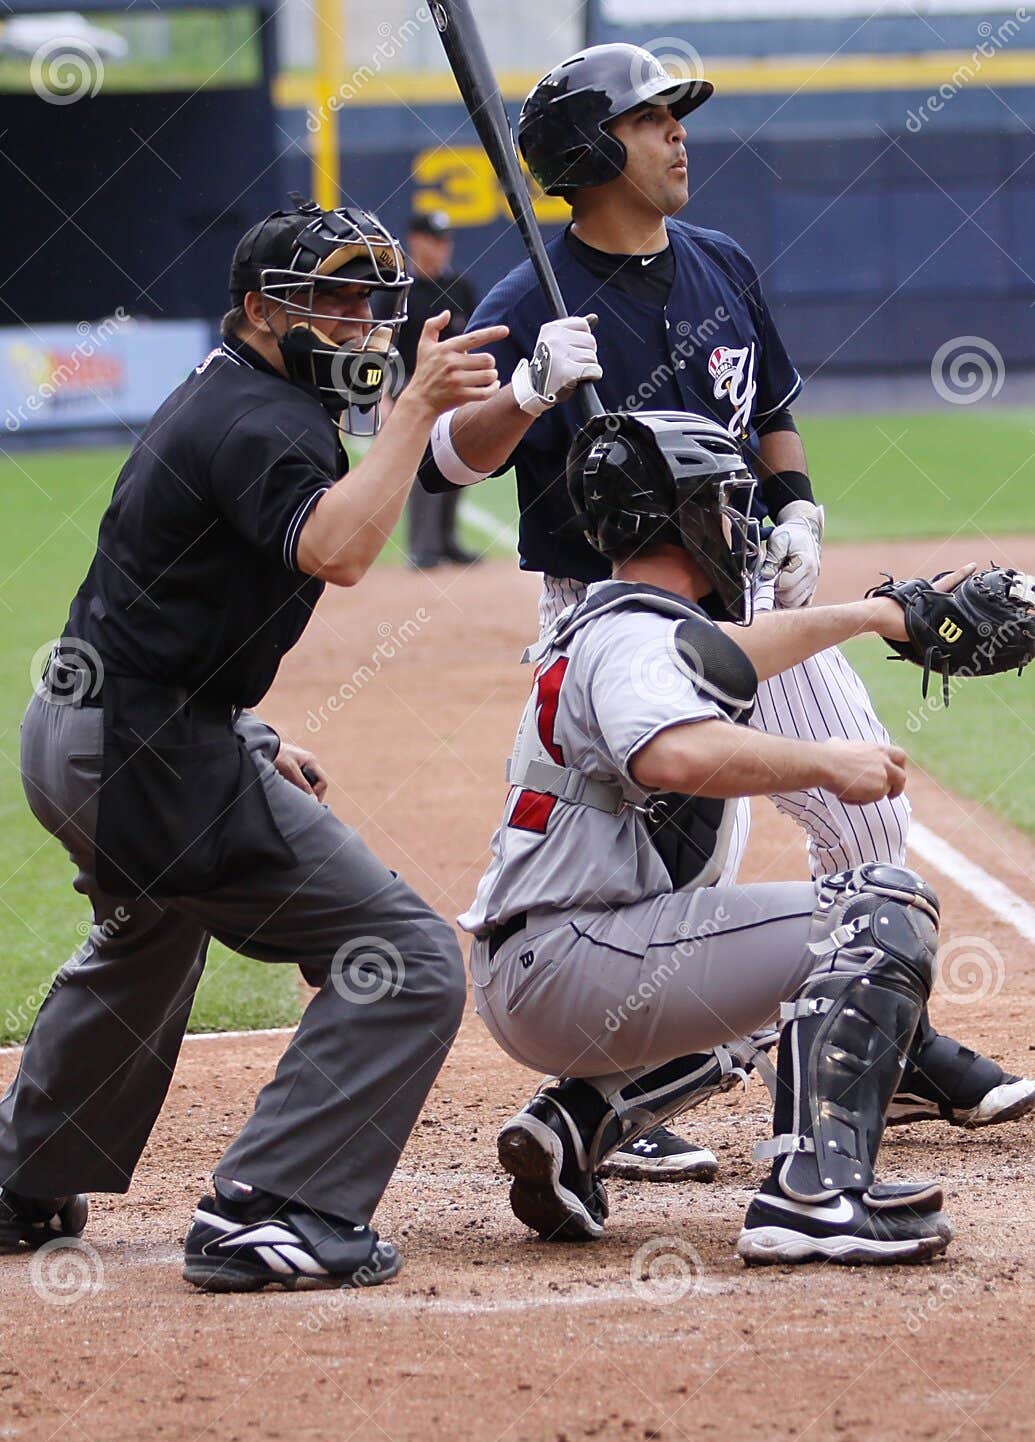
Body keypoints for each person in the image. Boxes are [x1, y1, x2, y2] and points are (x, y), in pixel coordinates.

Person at [425, 43, 1035, 1180]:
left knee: (866, 810)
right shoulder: (529, 301)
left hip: (753, 585)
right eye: (654, 120)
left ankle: (881, 1043)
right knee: (678, 861)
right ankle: (623, 1096)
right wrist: (523, 393)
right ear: (597, 151)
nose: (679, 135)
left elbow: (777, 412)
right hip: (621, 602)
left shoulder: (719, 262)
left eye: (675, 118)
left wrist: (798, 511)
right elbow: (442, 467)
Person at [0, 199, 506, 1292]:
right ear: (256, 313)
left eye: (369, 300)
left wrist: (245, 730)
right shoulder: (261, 422)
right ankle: (274, 1206)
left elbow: (173, 598)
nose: (358, 322)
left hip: (88, 725)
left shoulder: (242, 397)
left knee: (154, 931)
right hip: (143, 741)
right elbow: (337, 547)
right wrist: (416, 404)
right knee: (407, 959)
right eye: (328, 298)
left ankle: (19, 1173)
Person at [461, 409, 981, 1264]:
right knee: (879, 913)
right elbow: (671, 752)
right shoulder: (633, 639)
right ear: (684, 517)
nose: (741, 524)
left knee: (785, 988)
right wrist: (824, 761)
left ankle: (574, 1124)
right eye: (726, 502)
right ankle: (813, 1198)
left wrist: (874, 615)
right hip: (573, 960)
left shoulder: (627, 622)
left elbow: (737, 650)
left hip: (557, 964)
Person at [396, 210, 480, 570]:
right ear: (415, 242)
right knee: (423, 464)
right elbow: (384, 347)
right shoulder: (400, 291)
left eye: (445, 240)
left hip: (456, 388)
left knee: (457, 461)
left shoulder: (460, 285)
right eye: (434, 240)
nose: (442, 248)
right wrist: (387, 394)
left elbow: (474, 337)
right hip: (414, 390)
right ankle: (421, 547)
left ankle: (446, 540)